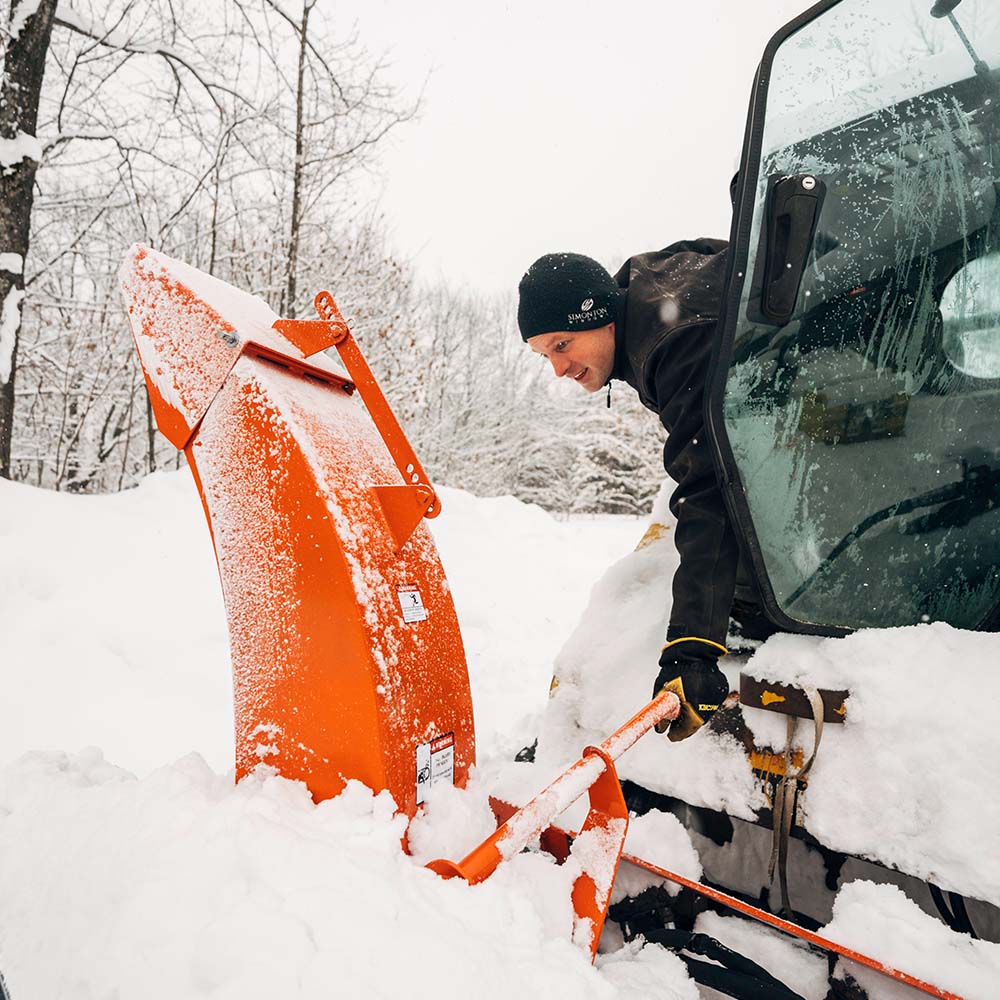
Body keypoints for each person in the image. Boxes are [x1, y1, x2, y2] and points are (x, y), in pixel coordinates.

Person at [517, 240, 765, 740]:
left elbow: (713, 487)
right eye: (546, 355)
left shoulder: (673, 339)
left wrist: (692, 648)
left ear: (601, 317)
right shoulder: (654, 294)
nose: (558, 370)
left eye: (562, 345)